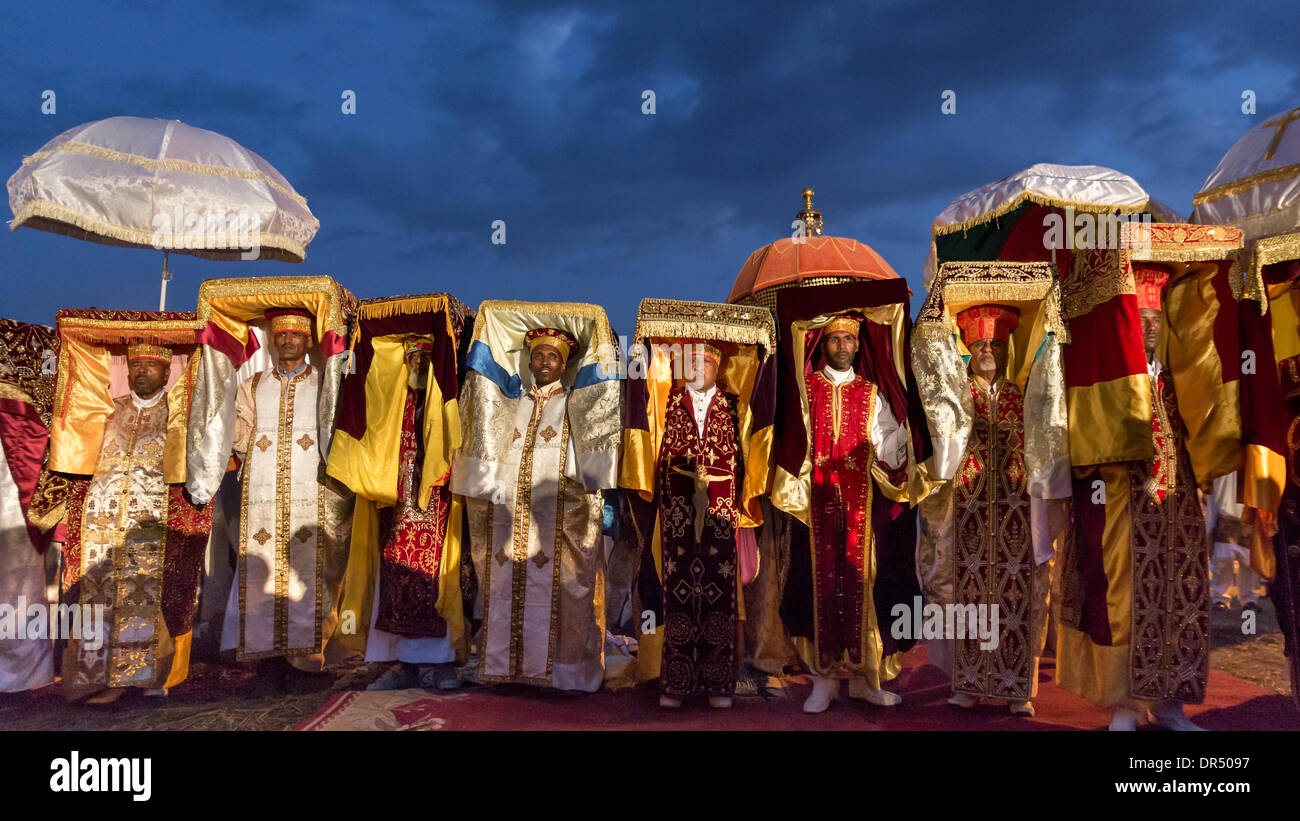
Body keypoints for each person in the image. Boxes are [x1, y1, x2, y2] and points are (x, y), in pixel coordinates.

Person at [1058, 267, 1210, 731]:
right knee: (1122, 599)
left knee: (1180, 594)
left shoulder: (1180, 378)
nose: (1148, 326)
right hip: (1122, 505)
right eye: (1140, 317)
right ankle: (1122, 704)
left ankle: (1170, 702)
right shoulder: (1106, 380)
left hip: (1175, 511)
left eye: (1156, 317)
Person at [457, 324, 609, 692]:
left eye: (552, 357)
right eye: (538, 355)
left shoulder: (574, 403)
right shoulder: (513, 402)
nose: (544, 362)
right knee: (504, 587)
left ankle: (564, 676)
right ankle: (505, 669)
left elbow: (591, 472)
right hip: (509, 520)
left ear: (564, 364)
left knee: (565, 593)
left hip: (557, 522)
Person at [61, 343, 211, 703]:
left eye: (151, 365)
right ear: (127, 372)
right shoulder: (109, 412)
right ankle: (93, 678)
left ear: (165, 372)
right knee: (98, 598)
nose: (142, 370)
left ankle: (134, 679)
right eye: (136, 365)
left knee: (140, 599)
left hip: (151, 522)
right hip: (104, 522)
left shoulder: (178, 414)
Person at [940, 305, 1059, 718]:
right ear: (969, 349)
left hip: (1017, 509)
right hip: (968, 509)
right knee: (969, 593)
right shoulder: (956, 395)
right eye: (980, 343)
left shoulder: (1022, 395)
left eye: (995, 343)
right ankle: (971, 682)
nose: (988, 349)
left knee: (1018, 596)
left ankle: (1016, 688)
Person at [221, 307, 337, 692]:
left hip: (311, 494)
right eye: (281, 335)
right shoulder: (253, 385)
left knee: (309, 575)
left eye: (295, 335)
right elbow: (239, 432)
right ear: (272, 340)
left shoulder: (324, 384)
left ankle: (305, 665)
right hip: (262, 495)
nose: (287, 340)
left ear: (308, 341)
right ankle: (265, 664)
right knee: (259, 571)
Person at [799, 314, 910, 713]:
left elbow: (885, 446)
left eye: (849, 338)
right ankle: (824, 678)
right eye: (835, 339)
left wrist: (907, 432)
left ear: (859, 345)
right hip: (816, 504)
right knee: (822, 585)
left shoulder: (871, 392)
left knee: (864, 583)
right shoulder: (807, 387)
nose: (842, 345)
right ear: (823, 345)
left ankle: (866, 679)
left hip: (861, 506)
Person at [362, 335, 460, 691]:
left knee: (439, 579)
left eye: (426, 360)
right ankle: (402, 665)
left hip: (438, 503)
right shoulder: (394, 403)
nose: (419, 365)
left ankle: (443, 663)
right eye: (413, 359)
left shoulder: (451, 400)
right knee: (393, 579)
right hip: (397, 501)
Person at [656, 342, 742, 709]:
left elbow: (744, 454)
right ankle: (676, 683)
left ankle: (718, 684)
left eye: (703, 364)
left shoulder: (733, 407)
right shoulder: (669, 403)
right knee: (677, 591)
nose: (697, 370)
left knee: (718, 591)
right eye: (690, 363)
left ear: (716, 369)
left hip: (720, 511)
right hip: (679, 509)